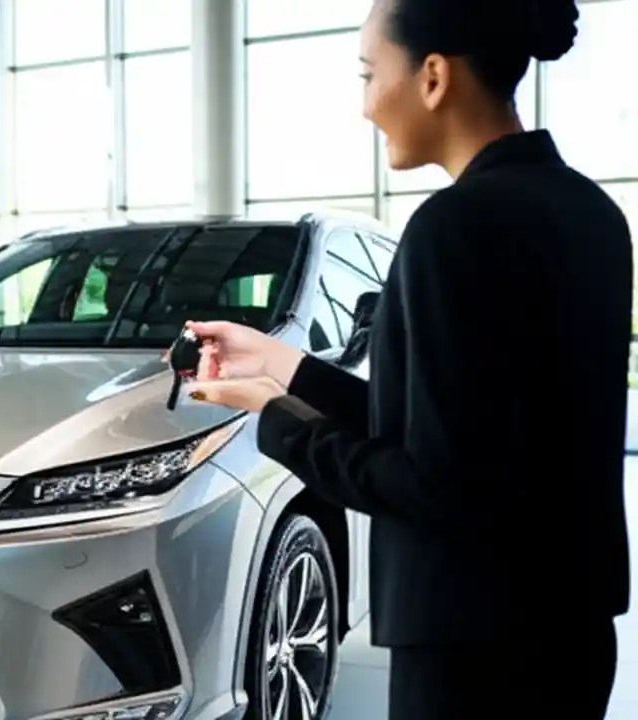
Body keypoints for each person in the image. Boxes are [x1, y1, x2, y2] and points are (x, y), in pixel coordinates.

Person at [182, 1, 631, 718]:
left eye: (369, 75)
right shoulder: (590, 214)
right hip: (567, 630)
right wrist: (284, 365)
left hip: (469, 649)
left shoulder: (453, 227)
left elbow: (438, 483)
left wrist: (276, 417)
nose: (365, 107)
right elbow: (456, 429)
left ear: (432, 77)